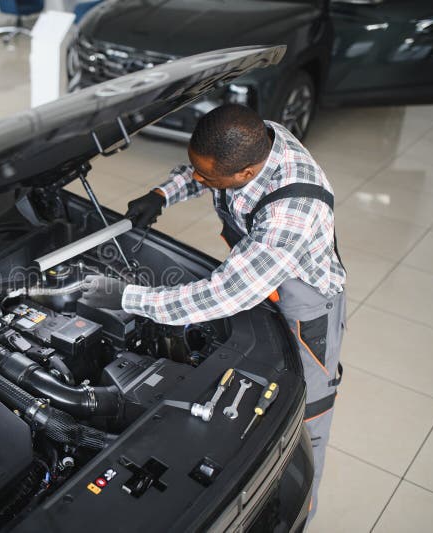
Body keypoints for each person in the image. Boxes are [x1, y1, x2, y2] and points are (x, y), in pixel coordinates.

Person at [80, 104, 346, 518]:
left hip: (304, 310)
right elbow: (204, 168)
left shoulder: (292, 213)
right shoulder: (253, 138)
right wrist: (162, 194)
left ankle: (300, 517)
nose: (199, 180)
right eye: (196, 171)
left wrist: (125, 297)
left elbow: (220, 297)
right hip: (260, 285)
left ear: (245, 175)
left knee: (303, 426)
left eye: (208, 178)